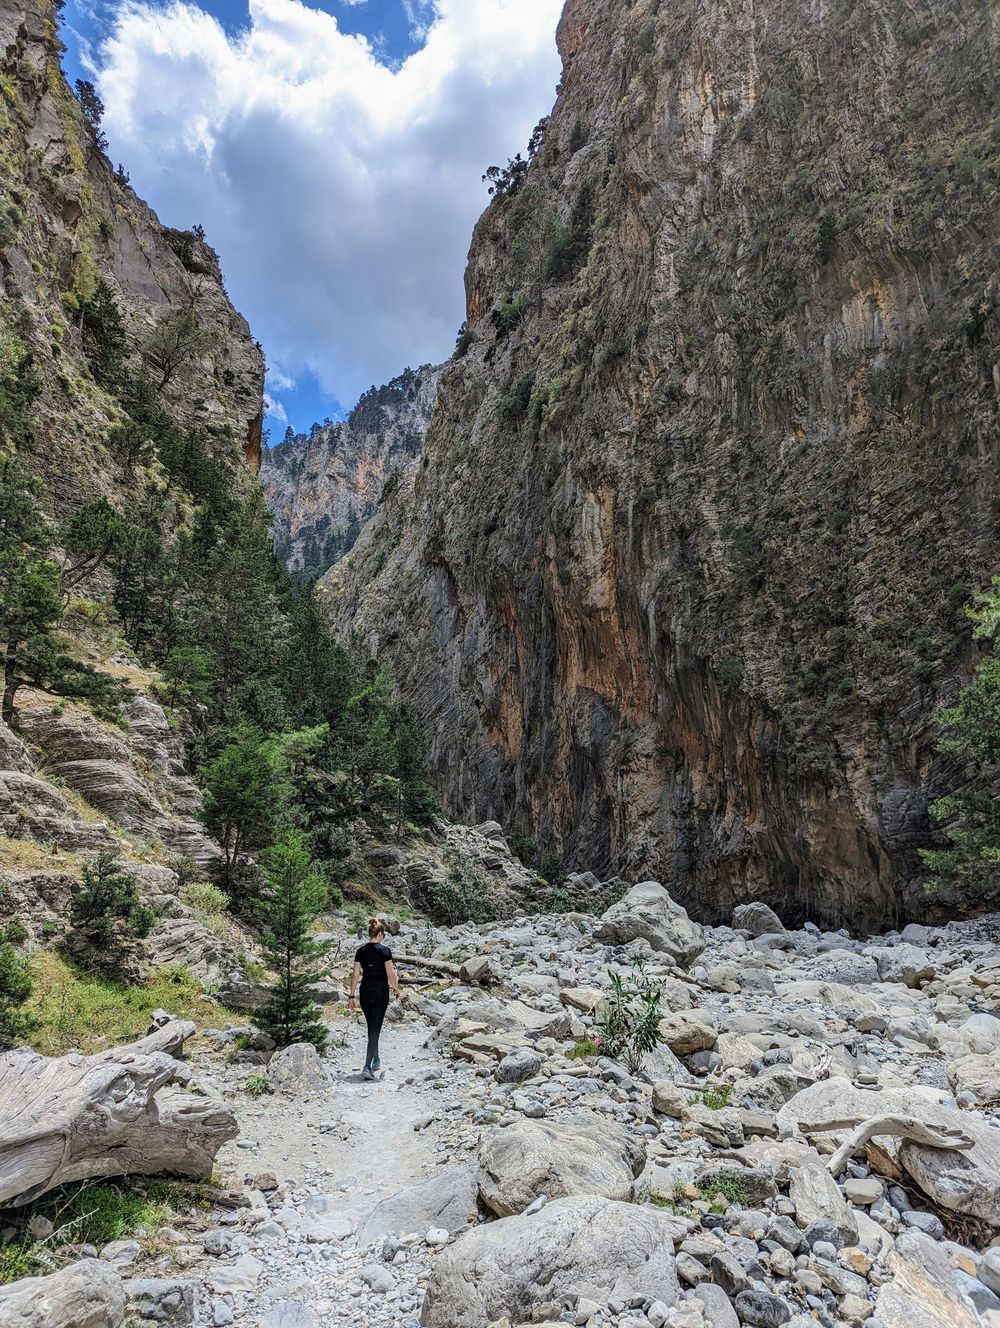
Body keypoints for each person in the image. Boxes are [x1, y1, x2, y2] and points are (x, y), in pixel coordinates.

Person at [348, 917, 401, 1079]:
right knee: (375, 1029)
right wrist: (396, 989)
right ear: (380, 934)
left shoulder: (360, 951)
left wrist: (351, 996)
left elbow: (355, 975)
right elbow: (390, 974)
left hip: (365, 991)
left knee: (372, 1027)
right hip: (380, 992)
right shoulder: (385, 951)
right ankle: (366, 1066)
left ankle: (376, 1059)